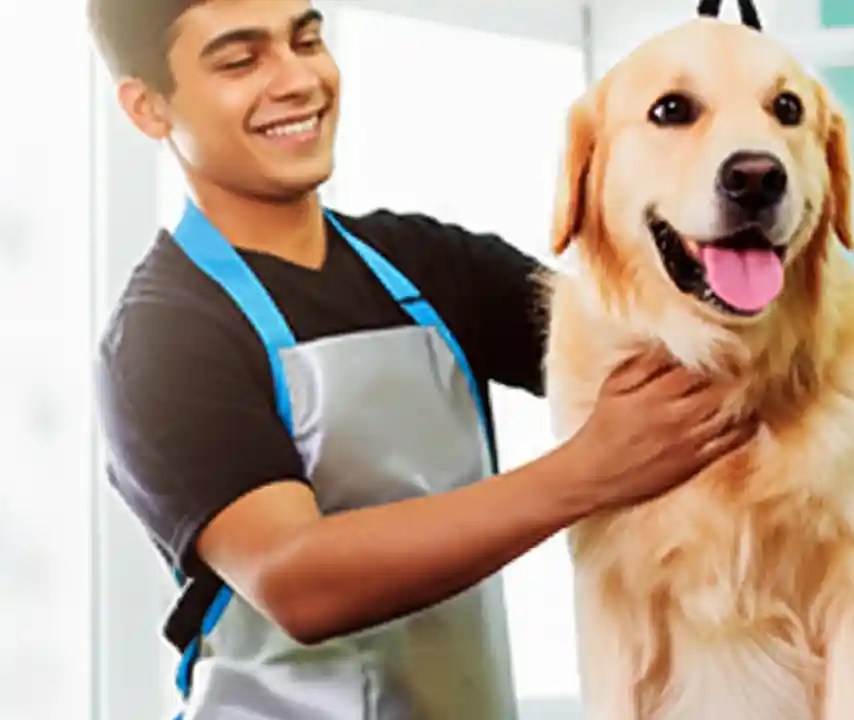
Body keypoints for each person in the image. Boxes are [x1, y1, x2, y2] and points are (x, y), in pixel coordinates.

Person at [89, 0, 752, 717]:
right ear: (148, 107)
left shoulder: (431, 265)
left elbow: (679, 364)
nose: (297, 80)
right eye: (241, 60)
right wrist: (584, 473)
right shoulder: (163, 335)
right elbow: (297, 580)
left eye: (306, 41)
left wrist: (730, 162)